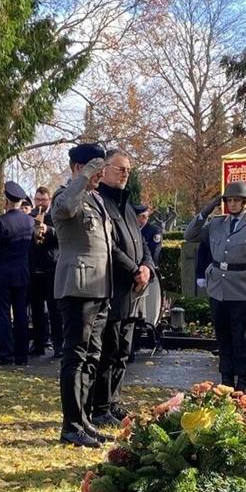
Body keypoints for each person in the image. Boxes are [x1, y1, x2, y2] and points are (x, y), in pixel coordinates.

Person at [184, 181, 246, 391]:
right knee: (223, 336)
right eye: (229, 200)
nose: (232, 204)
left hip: (244, 287)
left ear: (245, 202)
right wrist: (207, 209)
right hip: (219, 287)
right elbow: (190, 235)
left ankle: (243, 381)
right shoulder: (217, 223)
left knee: (241, 338)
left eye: (237, 200)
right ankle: (226, 380)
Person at [51, 143, 112, 447]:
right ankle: (71, 425)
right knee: (74, 356)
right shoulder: (66, 195)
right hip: (77, 287)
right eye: (94, 168)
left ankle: (83, 419)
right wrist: (84, 174)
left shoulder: (95, 199)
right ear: (78, 167)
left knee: (92, 357)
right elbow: (64, 210)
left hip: (100, 288)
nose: (99, 174)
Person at [91, 149, 153, 427]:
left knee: (124, 351)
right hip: (113, 287)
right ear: (103, 170)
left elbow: (142, 243)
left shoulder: (127, 205)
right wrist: (133, 269)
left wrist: (147, 267)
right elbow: (109, 246)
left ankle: (113, 401)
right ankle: (100, 406)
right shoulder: (100, 202)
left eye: (128, 169)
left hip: (133, 292)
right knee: (108, 350)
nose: (125, 173)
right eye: (120, 169)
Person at [0, 181, 34, 366]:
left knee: (3, 314)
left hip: (2, 274)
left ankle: (6, 353)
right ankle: (22, 355)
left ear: (6, 201)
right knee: (21, 314)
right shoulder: (29, 221)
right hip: (21, 273)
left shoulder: (1, 221)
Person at [28, 186, 62, 356]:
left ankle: (58, 345)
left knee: (55, 310)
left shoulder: (55, 216)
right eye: (37, 200)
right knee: (36, 310)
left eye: (43, 200)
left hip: (51, 268)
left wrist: (48, 230)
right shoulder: (30, 216)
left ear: (49, 200)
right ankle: (38, 344)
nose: (40, 203)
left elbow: (62, 236)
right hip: (34, 269)